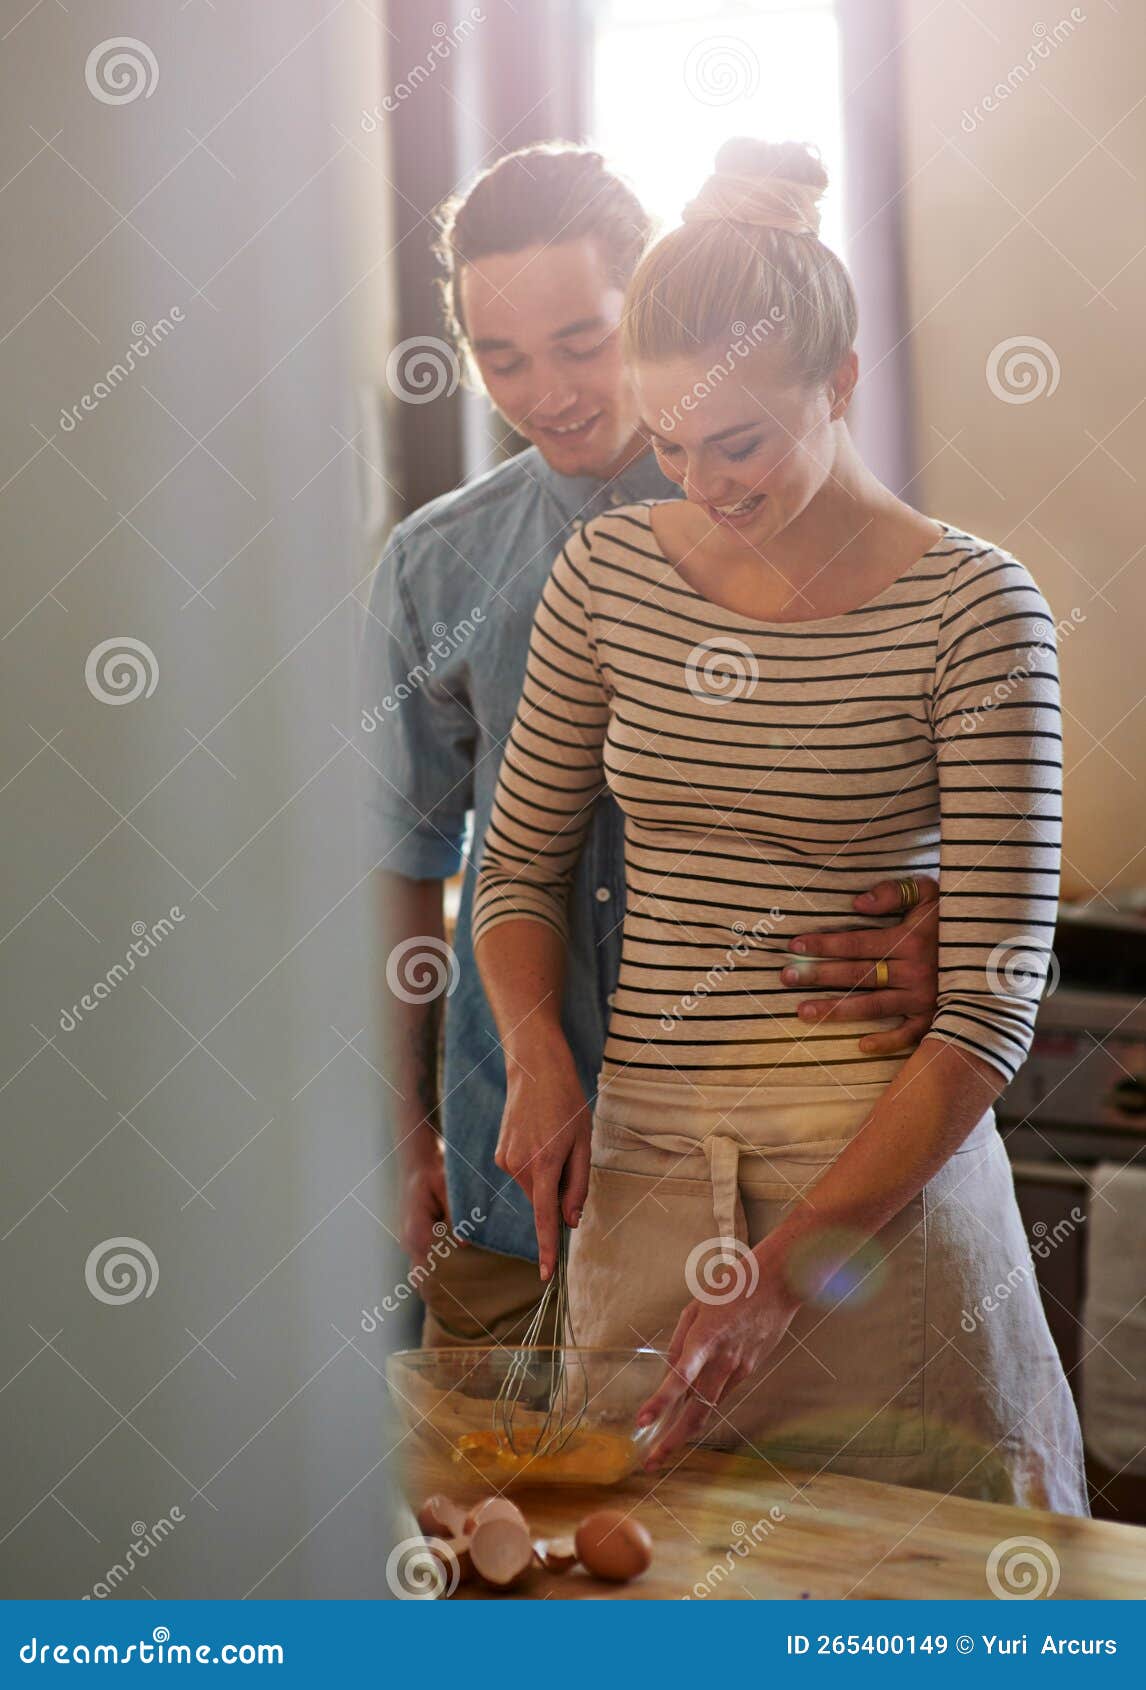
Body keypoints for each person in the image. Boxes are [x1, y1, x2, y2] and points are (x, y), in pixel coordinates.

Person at [472, 139, 1087, 1513]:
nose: (705, 484)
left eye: (740, 441)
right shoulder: (608, 574)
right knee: (639, 1600)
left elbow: (988, 1004)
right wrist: (532, 1053)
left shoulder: (976, 610)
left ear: (842, 382)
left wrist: (780, 1274)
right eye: (672, 445)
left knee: (929, 1610)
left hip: (881, 1213)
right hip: (644, 1184)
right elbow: (515, 864)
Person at [364, 143, 941, 1350]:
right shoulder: (438, 567)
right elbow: (407, 868)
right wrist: (405, 1129)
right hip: (518, 1165)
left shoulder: (822, 527)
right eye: (501, 358)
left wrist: (948, 917)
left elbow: (921, 787)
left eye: (582, 343)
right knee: (500, 1517)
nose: (548, 392)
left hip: (788, 1167)